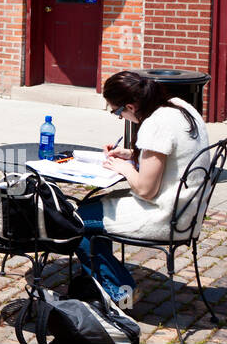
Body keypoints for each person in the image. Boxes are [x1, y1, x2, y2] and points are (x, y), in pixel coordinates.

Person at [77, 70, 211, 307]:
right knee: (86, 209)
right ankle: (108, 281)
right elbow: (171, 156)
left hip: (164, 215)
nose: (121, 118)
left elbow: (146, 189)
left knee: (75, 221)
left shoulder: (155, 124)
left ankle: (121, 295)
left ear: (130, 105)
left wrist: (124, 168)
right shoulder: (179, 107)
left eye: (118, 113)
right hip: (188, 210)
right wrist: (132, 154)